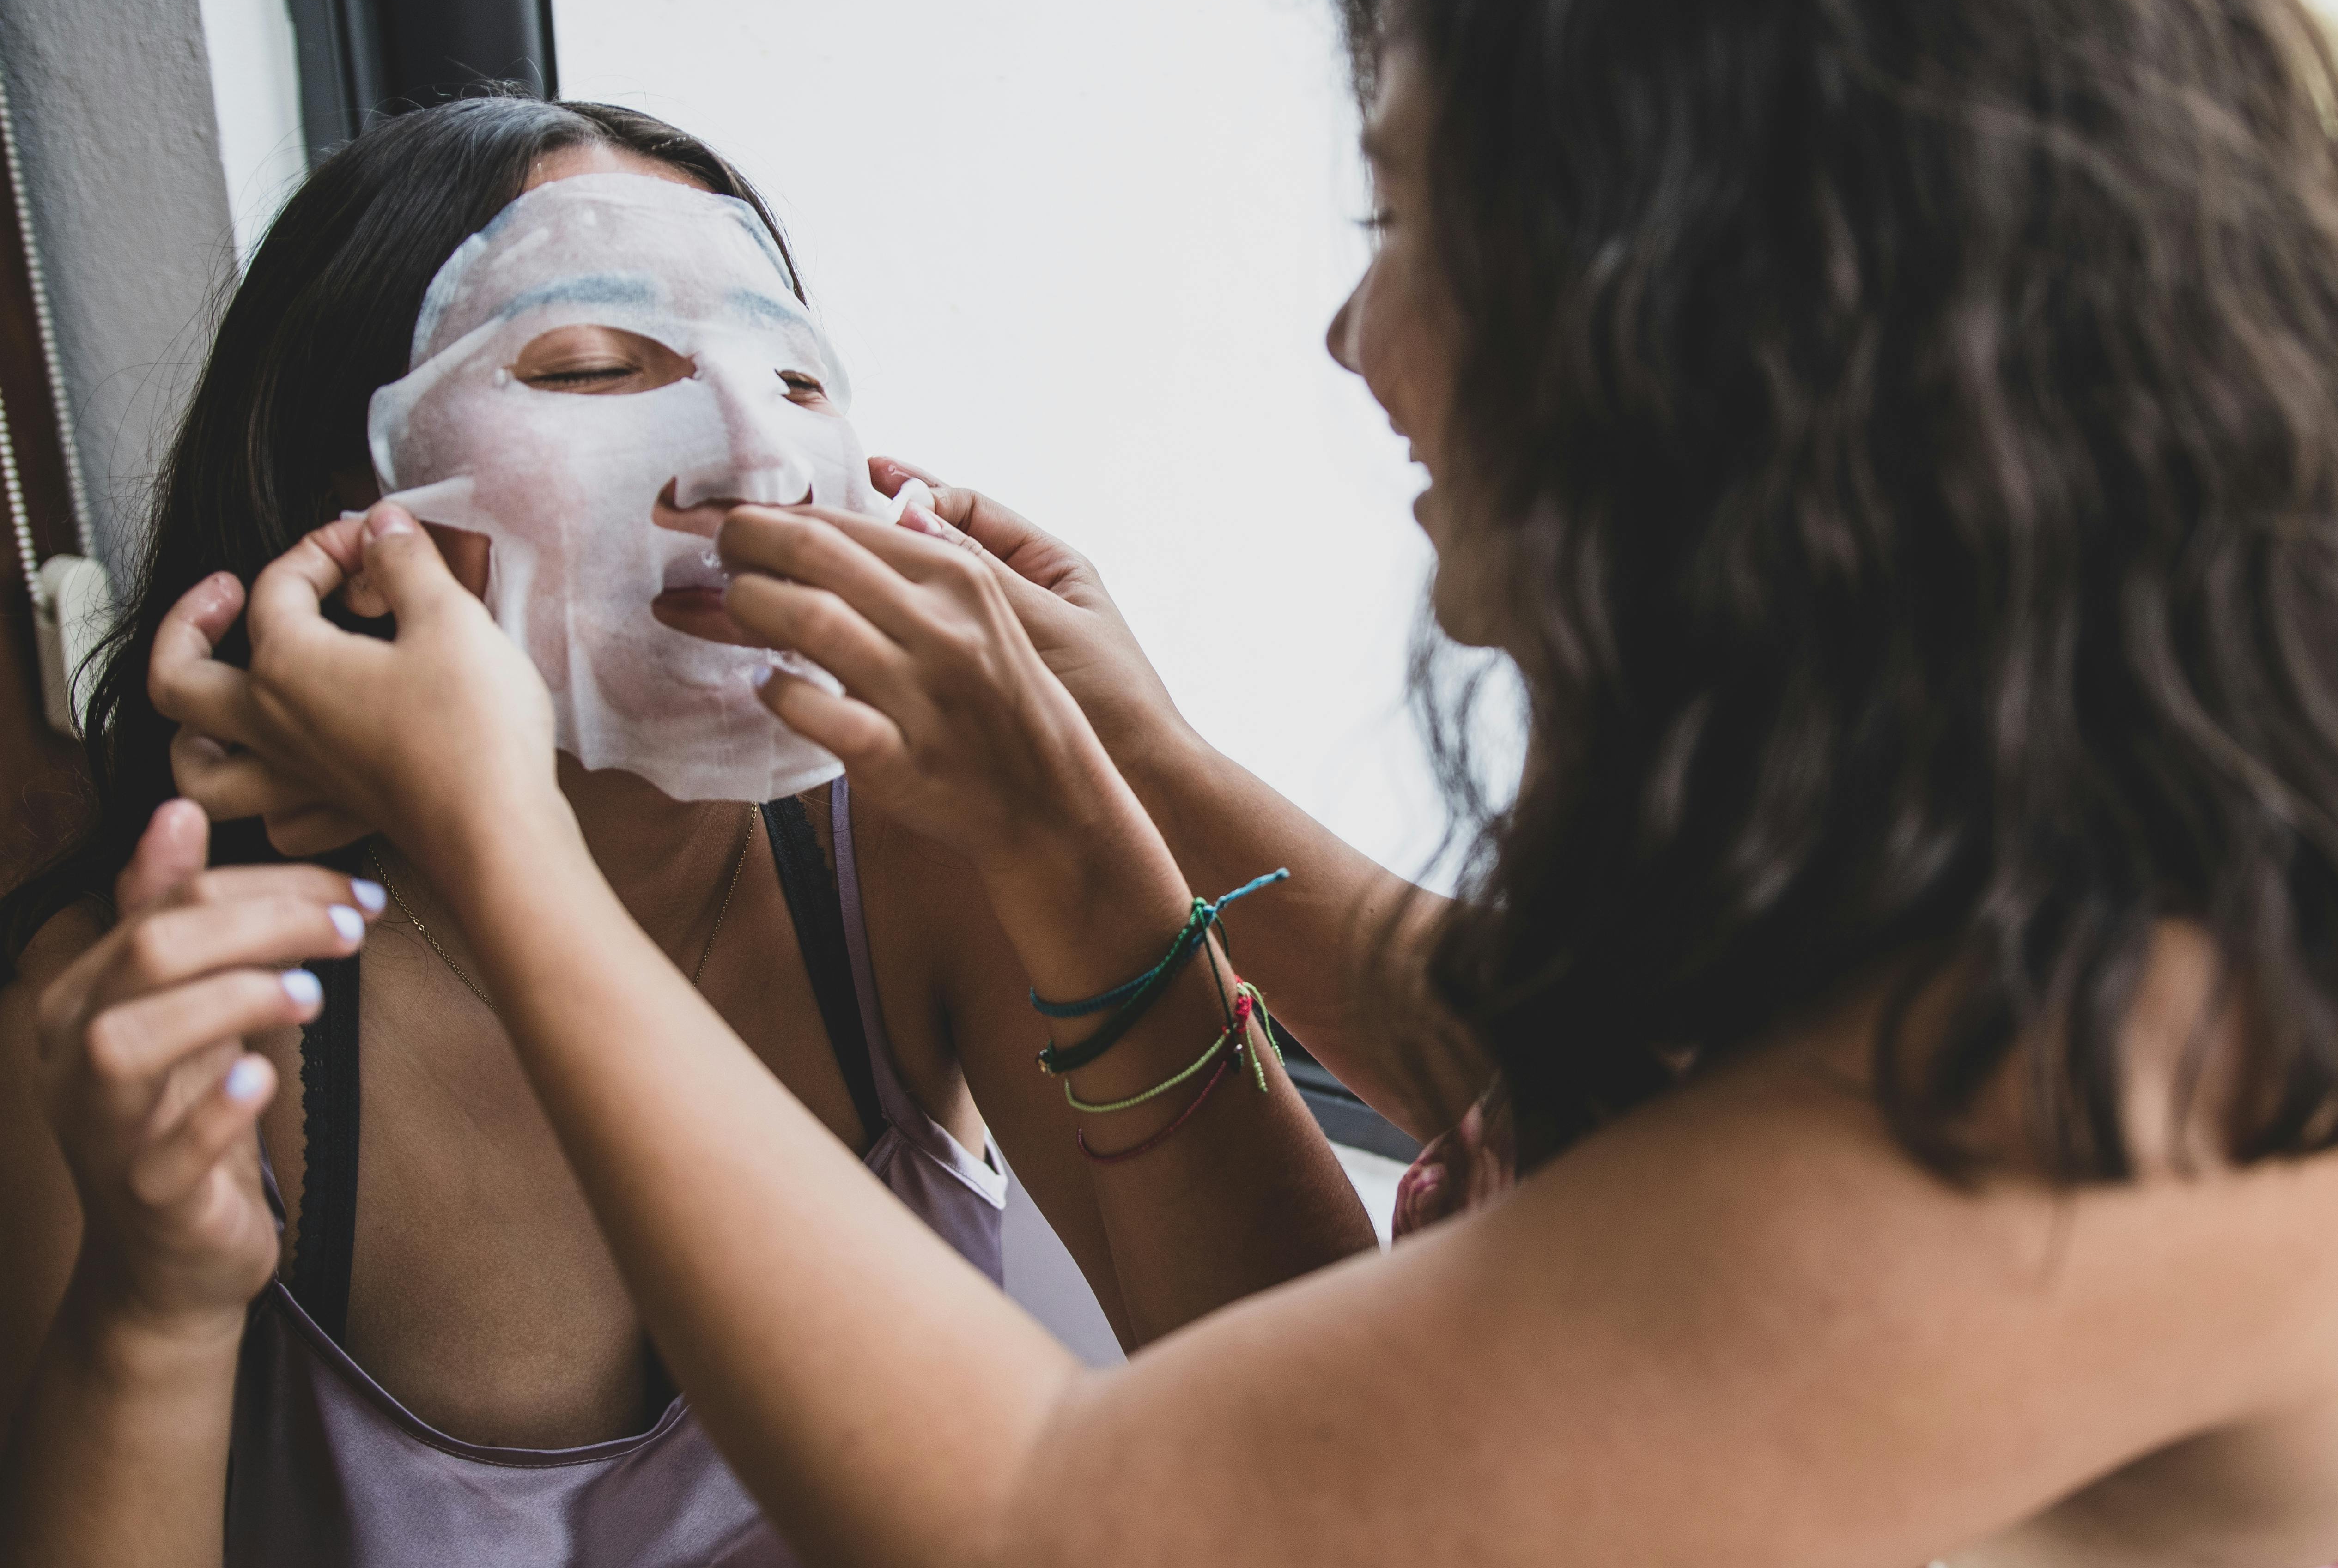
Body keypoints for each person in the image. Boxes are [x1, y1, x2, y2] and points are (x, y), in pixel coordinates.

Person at [52, 0, 2338, 1559]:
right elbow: (1519, 1056)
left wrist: (509, 849)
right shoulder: (1986, 841)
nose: (1350, 346)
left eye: (1407, 228)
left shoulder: (2095, 1109)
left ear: (1714, 331)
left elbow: (1067, 1525)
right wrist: (1129, 775)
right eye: (604, 373)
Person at [0, 97, 1376, 1568]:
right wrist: (149, 1311)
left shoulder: (917, 854)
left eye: (798, 380)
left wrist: (1100, 804)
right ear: (363, 493)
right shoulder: (172, 1004)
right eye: (591, 369)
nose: (747, 455)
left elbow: (1340, 1461)